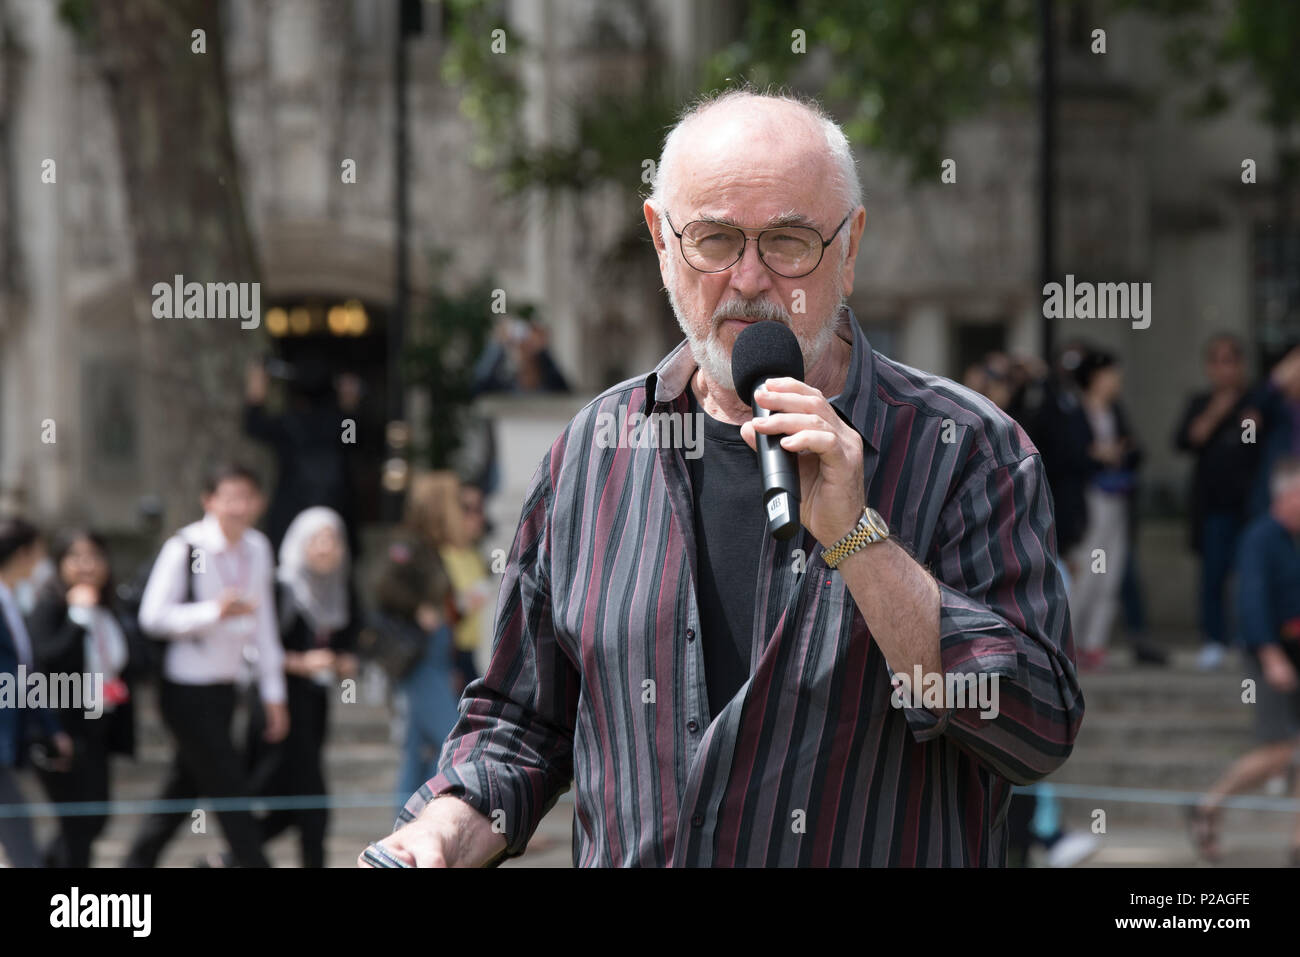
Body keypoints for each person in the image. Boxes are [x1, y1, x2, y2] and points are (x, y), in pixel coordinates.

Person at [362, 89, 1081, 868]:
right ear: (661, 241)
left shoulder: (966, 447)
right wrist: (442, 827)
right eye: (713, 240)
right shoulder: (594, 452)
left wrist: (859, 542)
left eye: (788, 241)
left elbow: (1036, 726)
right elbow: (519, 725)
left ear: (850, 245)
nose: (748, 279)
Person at [124, 463, 288, 868]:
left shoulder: (258, 549)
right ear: (209, 500)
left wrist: (273, 695)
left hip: (225, 686)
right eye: (228, 496)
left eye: (246, 496)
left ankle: (136, 862)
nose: (237, 506)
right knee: (228, 784)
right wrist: (214, 612)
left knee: (185, 784)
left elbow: (264, 629)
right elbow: (154, 617)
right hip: (184, 688)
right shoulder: (186, 547)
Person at [1189, 456, 1300, 865]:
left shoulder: (1290, 538)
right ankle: (1208, 805)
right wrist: (1271, 656)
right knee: (1280, 751)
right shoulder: (1261, 536)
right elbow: (1249, 602)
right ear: (1289, 495)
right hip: (1270, 657)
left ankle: (1296, 841)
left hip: (1292, 655)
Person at [245, 507, 358, 868]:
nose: (327, 548)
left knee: (293, 807)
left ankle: (225, 858)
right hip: (278, 705)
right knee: (312, 805)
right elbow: (251, 650)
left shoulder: (341, 589)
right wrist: (301, 662)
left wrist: (343, 662)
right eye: (318, 539)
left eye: (333, 539)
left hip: (314, 707)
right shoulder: (281, 587)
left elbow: (348, 643)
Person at [27, 530, 137, 867]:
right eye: (76, 557)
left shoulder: (112, 608)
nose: (87, 565)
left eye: (95, 556)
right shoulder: (51, 608)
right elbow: (49, 661)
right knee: (78, 824)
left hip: (99, 725)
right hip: (63, 726)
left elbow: (129, 662)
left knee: (95, 817)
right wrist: (78, 616)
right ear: (60, 564)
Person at [373, 471, 463, 813]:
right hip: (419, 656)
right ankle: (423, 817)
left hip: (435, 654)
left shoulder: (428, 547)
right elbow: (383, 586)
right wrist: (418, 608)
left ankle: (408, 821)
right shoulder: (409, 544)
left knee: (417, 745)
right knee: (449, 738)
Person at [1175, 333, 1262, 671]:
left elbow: (1254, 445)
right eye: (1218, 361)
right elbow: (1187, 440)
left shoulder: (1255, 402)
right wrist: (1217, 410)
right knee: (1212, 576)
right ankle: (1214, 640)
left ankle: (1247, 638)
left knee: (1248, 576)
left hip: (1250, 506)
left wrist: (1250, 425)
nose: (1225, 369)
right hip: (1213, 507)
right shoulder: (1200, 402)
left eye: (1231, 361)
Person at [0, 519, 71, 867]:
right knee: (18, 830)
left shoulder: (12, 600)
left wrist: (49, 726)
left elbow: (24, 674)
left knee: (17, 828)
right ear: (24, 554)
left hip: (9, 736)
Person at [1066, 349, 1141, 672]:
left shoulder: (1116, 412)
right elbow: (1066, 457)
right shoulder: (1073, 412)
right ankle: (1068, 643)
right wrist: (1096, 454)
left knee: (1111, 571)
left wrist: (1122, 453)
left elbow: (1137, 450)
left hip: (1116, 500)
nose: (1116, 381)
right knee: (1085, 572)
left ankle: (1094, 643)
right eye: (1111, 374)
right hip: (1088, 503)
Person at [244, 359, 361, 558]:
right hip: (335, 507)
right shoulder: (341, 424)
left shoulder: (286, 424)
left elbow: (254, 425)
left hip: (291, 509)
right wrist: (349, 406)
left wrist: (257, 389)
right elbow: (352, 439)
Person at [441, 482, 493, 696]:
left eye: (480, 509)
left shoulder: (476, 555)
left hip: (475, 651)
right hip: (451, 655)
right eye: (468, 509)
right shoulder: (441, 555)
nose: (477, 517)